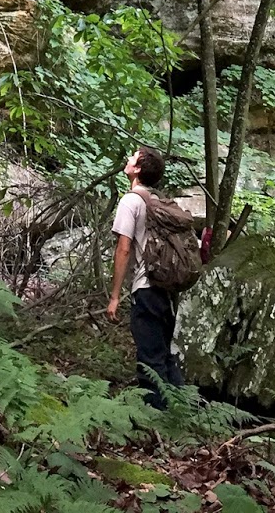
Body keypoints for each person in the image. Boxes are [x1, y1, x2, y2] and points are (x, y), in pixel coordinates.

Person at [106, 144, 186, 407]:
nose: (128, 159)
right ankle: (184, 413)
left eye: (133, 156)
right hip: (167, 290)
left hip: (146, 287)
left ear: (138, 169)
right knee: (165, 355)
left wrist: (115, 296)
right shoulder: (158, 201)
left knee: (150, 360)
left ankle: (156, 417)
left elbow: (124, 248)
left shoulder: (131, 201)